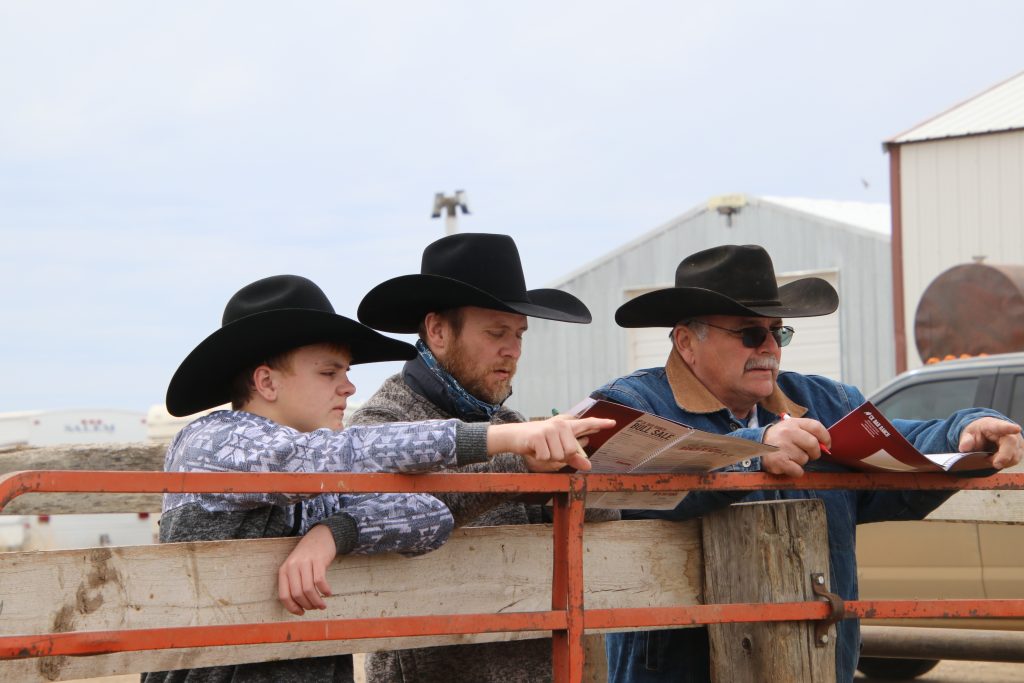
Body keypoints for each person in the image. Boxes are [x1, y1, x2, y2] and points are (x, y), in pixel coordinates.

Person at [141, 274, 608, 683]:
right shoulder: (211, 443)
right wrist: (505, 439)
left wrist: (335, 532)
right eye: (329, 372)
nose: (348, 387)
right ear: (266, 383)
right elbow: (337, 454)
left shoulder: (317, 467)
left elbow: (429, 512)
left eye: (345, 371)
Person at [593, 245, 1024, 683]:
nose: (768, 348)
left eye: (777, 333)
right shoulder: (632, 405)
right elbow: (627, 485)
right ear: (686, 341)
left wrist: (967, 432)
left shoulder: (826, 403)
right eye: (749, 334)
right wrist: (755, 449)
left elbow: (902, 447)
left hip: (814, 662)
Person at [352, 232, 621, 683]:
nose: (513, 351)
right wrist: (521, 464)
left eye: (518, 335)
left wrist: (589, 469)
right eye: (496, 333)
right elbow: (387, 511)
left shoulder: (511, 420)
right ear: (437, 331)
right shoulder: (381, 422)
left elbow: (596, 526)